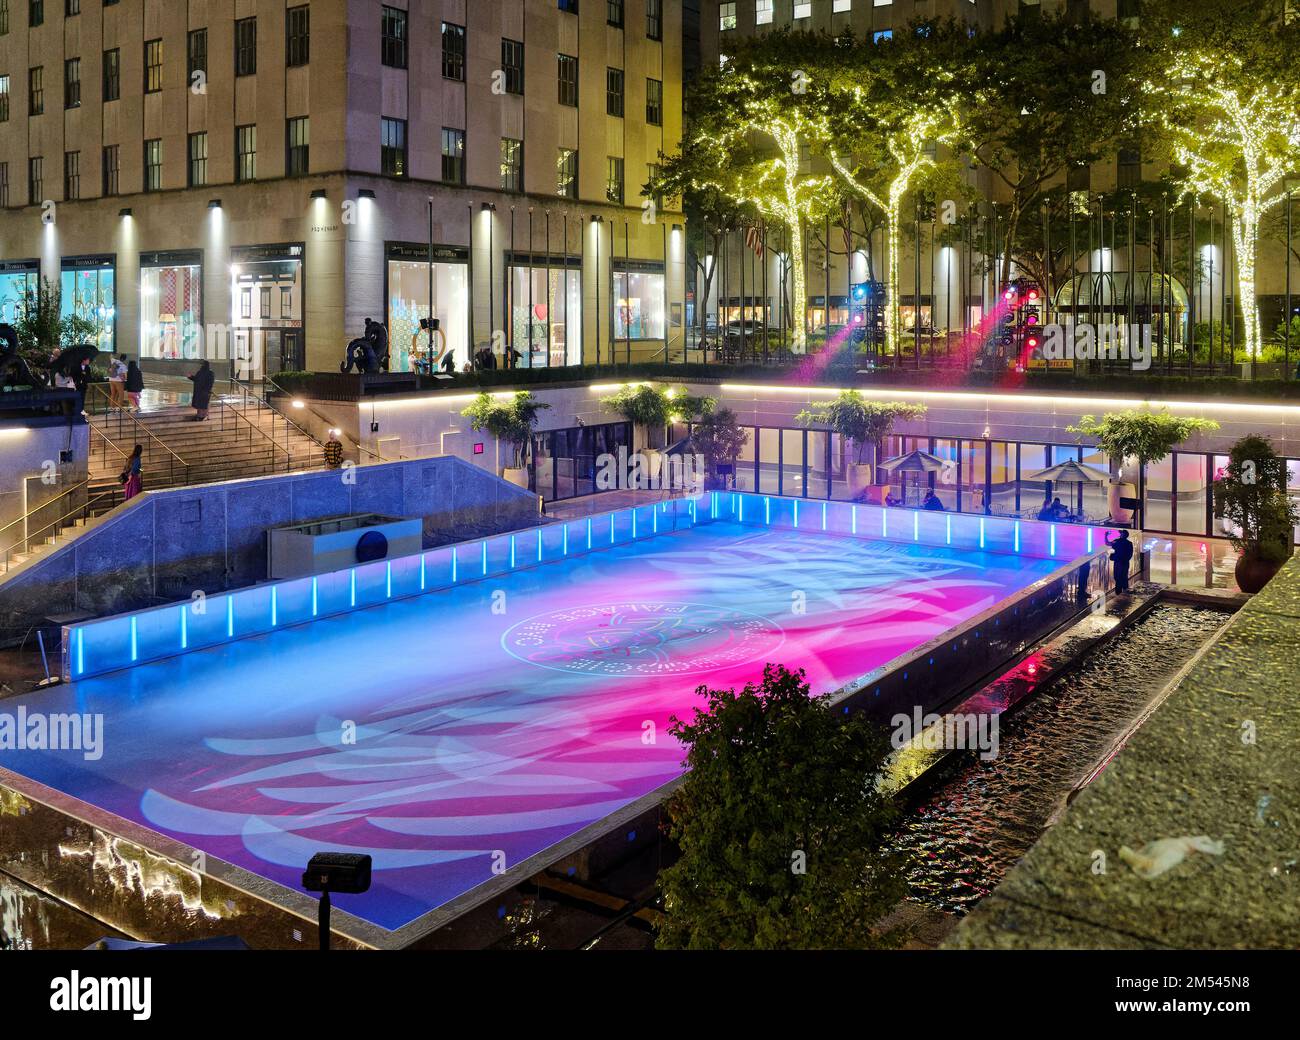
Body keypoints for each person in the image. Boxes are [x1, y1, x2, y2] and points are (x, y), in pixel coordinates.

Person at [1106, 529, 1134, 594]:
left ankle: (1119, 592)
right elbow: (1130, 554)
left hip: (1118, 562)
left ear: (1123, 535)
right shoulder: (1129, 543)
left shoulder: (1117, 542)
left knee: (1118, 577)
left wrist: (1106, 536)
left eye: (1121, 533)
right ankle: (1124, 590)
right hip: (1123, 563)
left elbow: (1107, 543)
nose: (1120, 534)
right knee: (1123, 577)